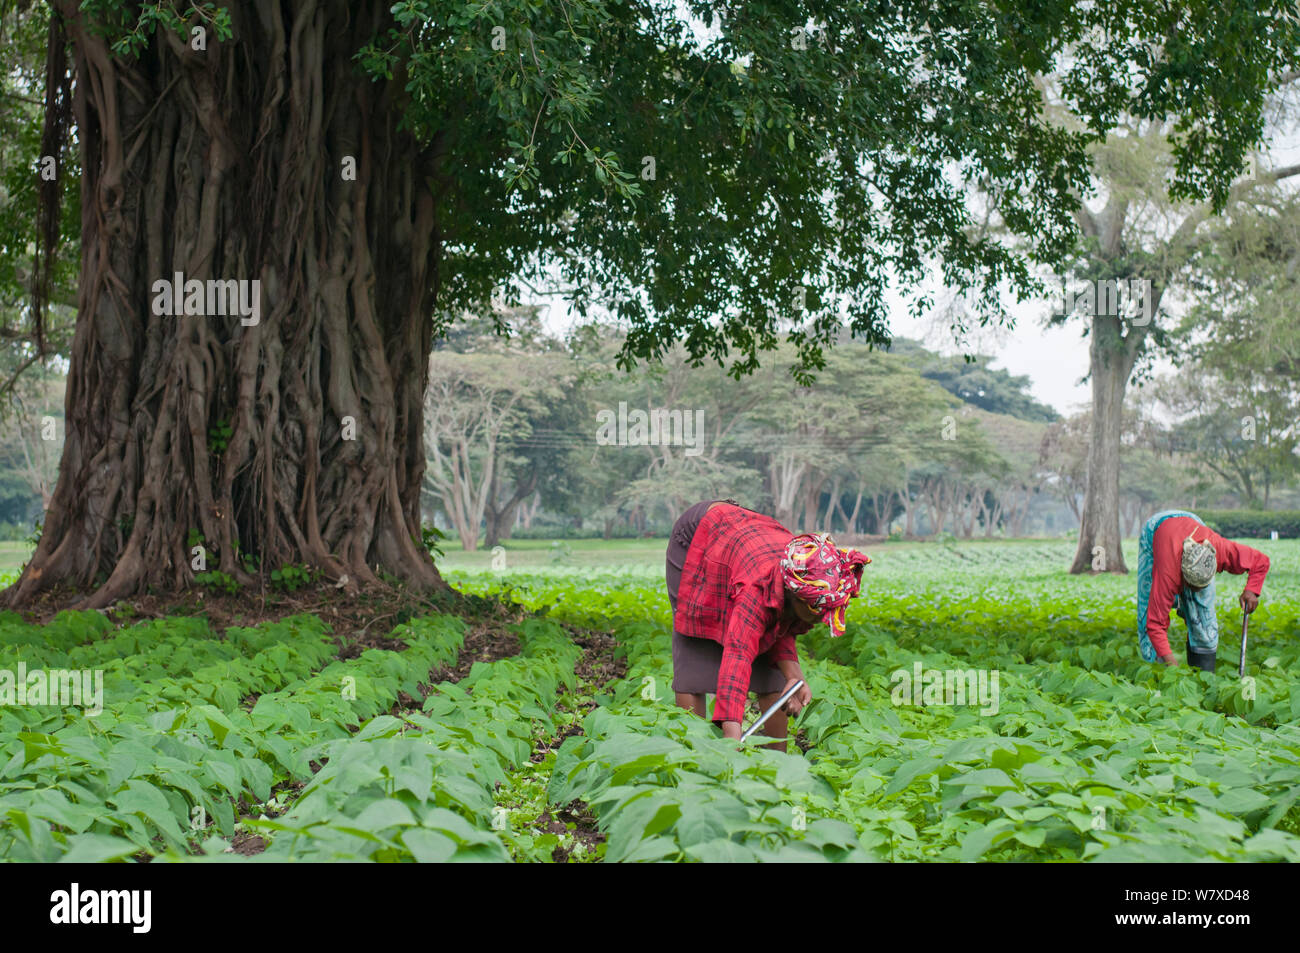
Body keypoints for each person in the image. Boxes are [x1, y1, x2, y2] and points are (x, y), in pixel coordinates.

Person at [666, 499, 870, 750]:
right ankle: (691, 755)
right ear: (794, 596)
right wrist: (732, 740)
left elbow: (780, 621)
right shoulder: (759, 589)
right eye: (818, 611)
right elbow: (737, 658)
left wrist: (794, 678)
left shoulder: (803, 572)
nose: (822, 618)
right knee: (696, 647)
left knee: (768, 664)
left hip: (746, 544)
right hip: (699, 535)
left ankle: (778, 758)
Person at [1136, 510, 1270, 672]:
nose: (1199, 589)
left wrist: (1252, 590)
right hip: (1156, 530)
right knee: (1148, 613)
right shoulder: (1168, 573)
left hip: (1193, 524)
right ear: (1183, 576)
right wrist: (1172, 667)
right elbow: (1155, 624)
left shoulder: (1219, 549)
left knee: (1202, 618)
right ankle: (1155, 673)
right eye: (1193, 585)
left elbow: (1260, 561)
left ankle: (1203, 676)